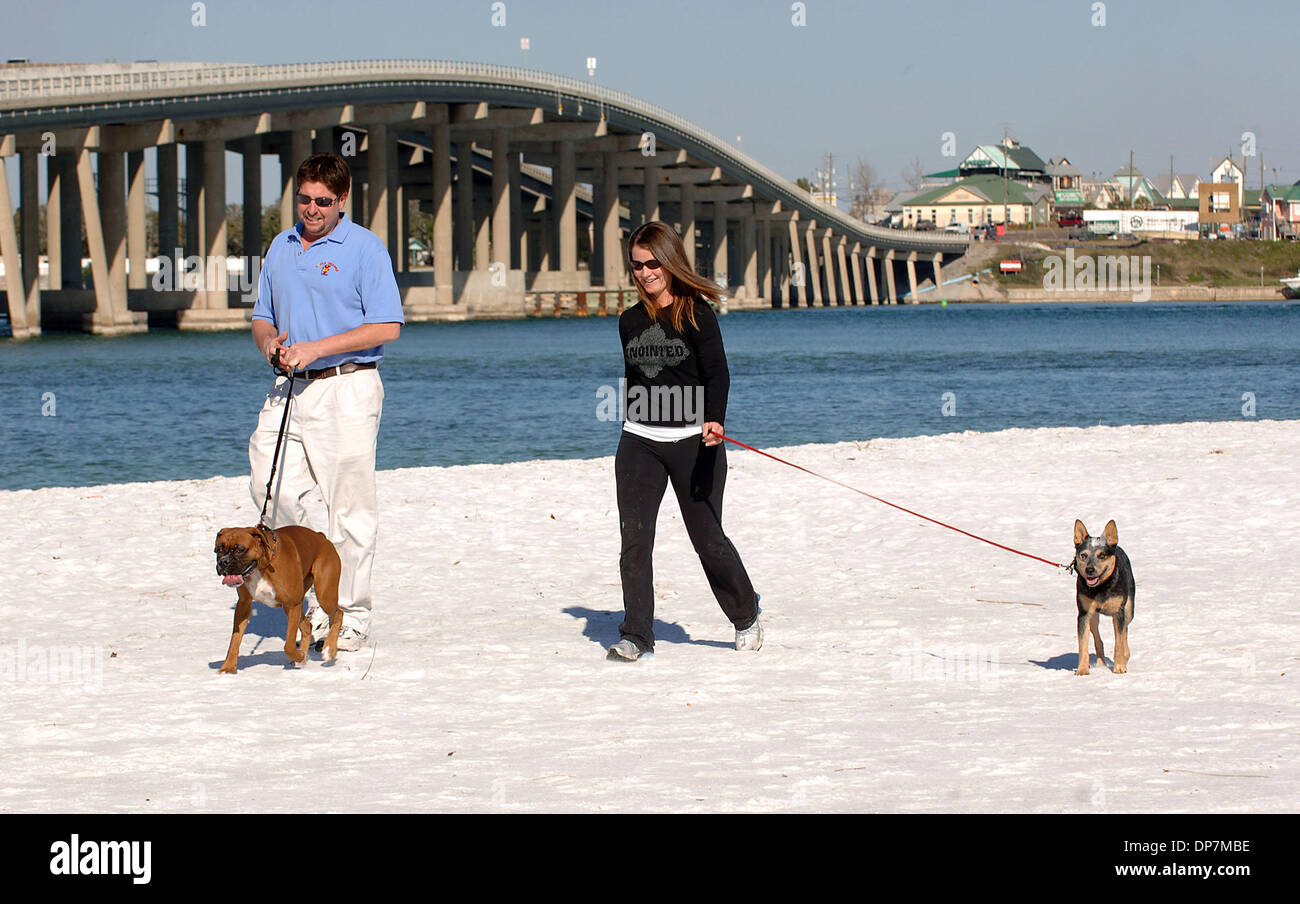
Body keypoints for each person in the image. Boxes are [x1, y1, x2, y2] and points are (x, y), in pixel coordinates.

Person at [248, 152, 403, 652]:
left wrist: (316, 346)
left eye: (323, 201)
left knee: (349, 510)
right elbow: (261, 318)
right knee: (271, 491)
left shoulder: (364, 247)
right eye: (304, 199)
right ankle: (316, 583)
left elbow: (387, 326)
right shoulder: (281, 245)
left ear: (342, 200)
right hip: (288, 386)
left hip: (348, 385)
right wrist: (270, 343)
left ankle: (349, 616)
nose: (311, 209)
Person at [607, 220, 762, 662]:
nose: (645, 272)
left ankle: (746, 613)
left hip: (696, 443)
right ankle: (637, 635)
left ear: (671, 263)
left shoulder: (697, 314)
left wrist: (714, 419)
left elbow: (717, 372)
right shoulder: (629, 321)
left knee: (707, 538)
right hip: (639, 441)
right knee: (634, 541)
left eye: (653, 263)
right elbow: (638, 381)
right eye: (637, 265)